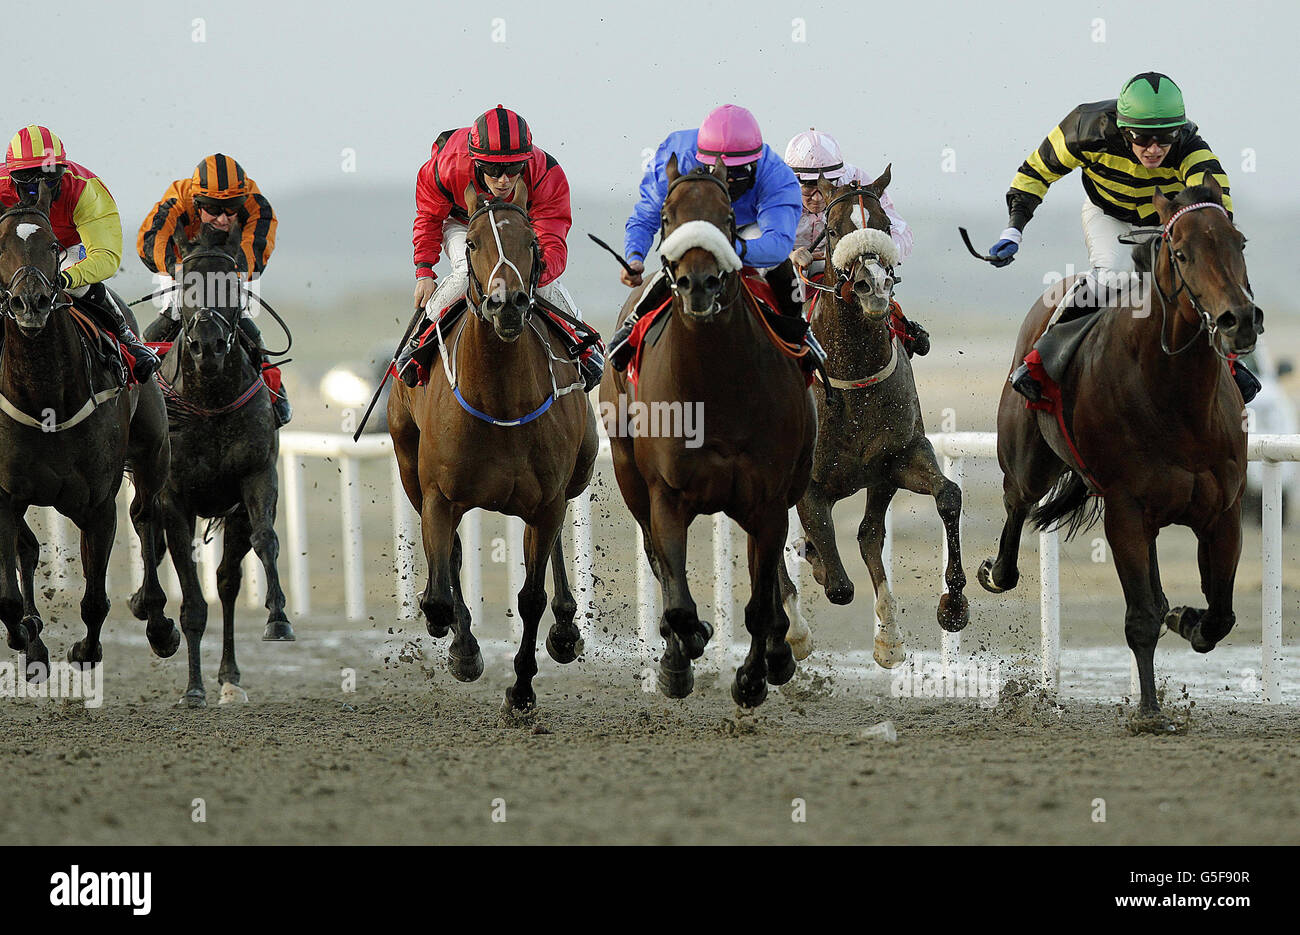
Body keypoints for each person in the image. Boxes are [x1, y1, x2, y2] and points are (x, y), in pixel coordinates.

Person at [986, 72, 1256, 402]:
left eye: (1166, 136)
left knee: (1197, 280)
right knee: (1111, 278)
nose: (1154, 149)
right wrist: (1014, 227)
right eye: (1142, 138)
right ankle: (1039, 359)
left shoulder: (1191, 148)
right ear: (1123, 128)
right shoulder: (1085, 127)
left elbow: (1219, 209)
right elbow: (1035, 172)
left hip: (1165, 223)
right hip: (1108, 213)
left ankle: (1231, 364)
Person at [399, 105, 601, 389]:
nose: (504, 179)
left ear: (526, 161)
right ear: (476, 161)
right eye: (493, 169)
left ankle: (585, 345)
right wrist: (424, 271)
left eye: (514, 168)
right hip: (465, 222)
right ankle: (418, 343)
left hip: (518, 226)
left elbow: (552, 236)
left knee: (538, 282)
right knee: (463, 275)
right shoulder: (447, 166)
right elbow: (430, 217)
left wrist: (535, 272)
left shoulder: (546, 174)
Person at [608, 104, 803, 364]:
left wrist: (728, 249)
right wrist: (635, 256)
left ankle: (798, 331)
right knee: (682, 254)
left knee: (778, 264)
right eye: (721, 170)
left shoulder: (777, 176)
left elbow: (778, 244)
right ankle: (634, 320)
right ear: (701, 160)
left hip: (747, 229)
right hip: (697, 222)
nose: (729, 180)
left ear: (756, 162)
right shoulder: (676, 154)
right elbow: (646, 216)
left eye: (738, 171)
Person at [137, 154, 288, 424]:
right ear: (196, 202)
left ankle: (273, 388)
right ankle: (138, 387)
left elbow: (258, 246)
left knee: (240, 316)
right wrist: (175, 269)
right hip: (183, 265)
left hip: (229, 267)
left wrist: (231, 272)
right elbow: (150, 239)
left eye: (232, 209)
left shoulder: (256, 204)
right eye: (213, 209)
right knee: (172, 313)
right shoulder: (178, 197)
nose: (223, 218)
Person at [0, 126, 158, 381]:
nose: (42, 191)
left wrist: (63, 280)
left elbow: (106, 256)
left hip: (64, 250)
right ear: (12, 178)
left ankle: (126, 338)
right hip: (14, 253)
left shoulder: (86, 190)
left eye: (50, 179)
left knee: (78, 283)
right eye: (30, 184)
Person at [783, 128, 928, 356]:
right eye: (810, 187)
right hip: (788, 264)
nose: (819, 196)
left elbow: (902, 233)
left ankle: (902, 330)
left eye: (828, 184)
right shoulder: (774, 187)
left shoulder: (857, 181)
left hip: (844, 265)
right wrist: (786, 256)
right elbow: (755, 240)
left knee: (872, 280)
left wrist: (875, 255)